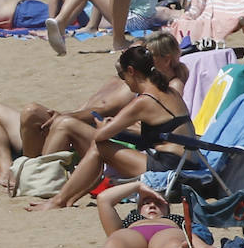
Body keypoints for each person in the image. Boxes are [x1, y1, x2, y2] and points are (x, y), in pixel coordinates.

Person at [33, 45, 190, 209]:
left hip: (169, 167)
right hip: (188, 161)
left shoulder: (144, 101)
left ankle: (58, 201)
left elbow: (100, 136)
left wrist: (103, 126)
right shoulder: (169, 92)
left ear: (131, 71)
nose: (125, 82)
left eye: (123, 76)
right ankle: (68, 199)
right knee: (101, 147)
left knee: (99, 148)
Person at [68, 181, 217, 248]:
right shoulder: (131, 220)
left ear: (168, 209)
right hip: (133, 240)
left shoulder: (174, 219)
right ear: (138, 209)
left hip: (164, 236)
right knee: (115, 245)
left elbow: (191, 236)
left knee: (175, 242)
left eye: (158, 202)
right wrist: (137, 186)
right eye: (146, 202)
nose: (152, 205)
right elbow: (103, 199)